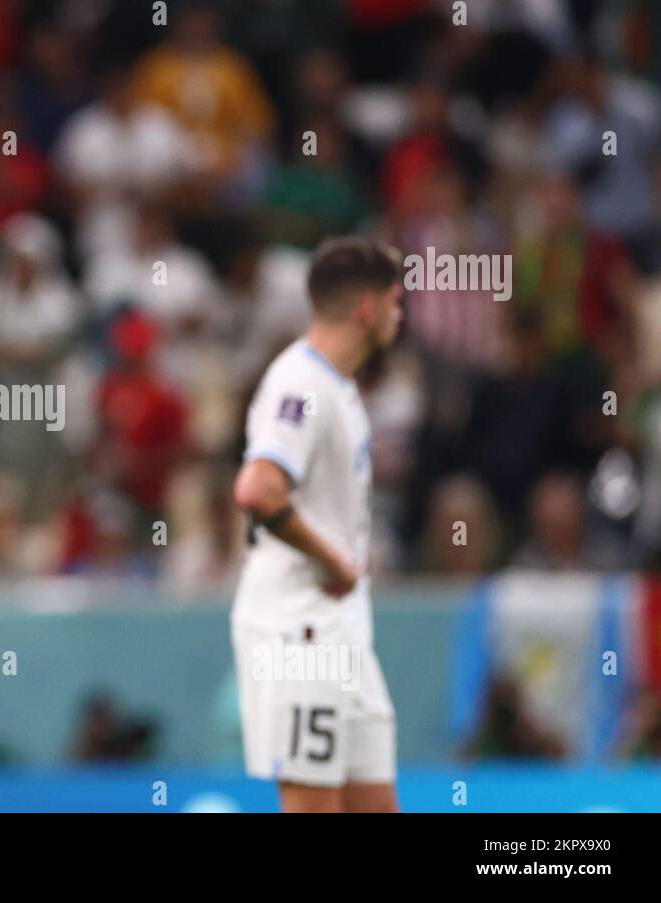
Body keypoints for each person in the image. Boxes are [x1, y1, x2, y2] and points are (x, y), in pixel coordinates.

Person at [231, 236, 403, 813]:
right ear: (368, 309)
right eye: (395, 302)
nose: (399, 316)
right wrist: (333, 559)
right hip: (300, 632)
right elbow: (258, 488)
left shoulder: (337, 386)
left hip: (343, 630)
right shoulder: (299, 385)